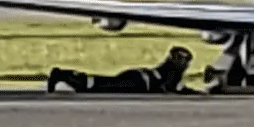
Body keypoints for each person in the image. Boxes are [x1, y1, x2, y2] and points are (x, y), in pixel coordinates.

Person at [47, 45, 195, 95]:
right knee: (103, 86)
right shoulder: (172, 71)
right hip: (139, 82)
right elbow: (171, 88)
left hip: (138, 76)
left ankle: (66, 75)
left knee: (104, 83)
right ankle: (66, 76)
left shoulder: (169, 69)